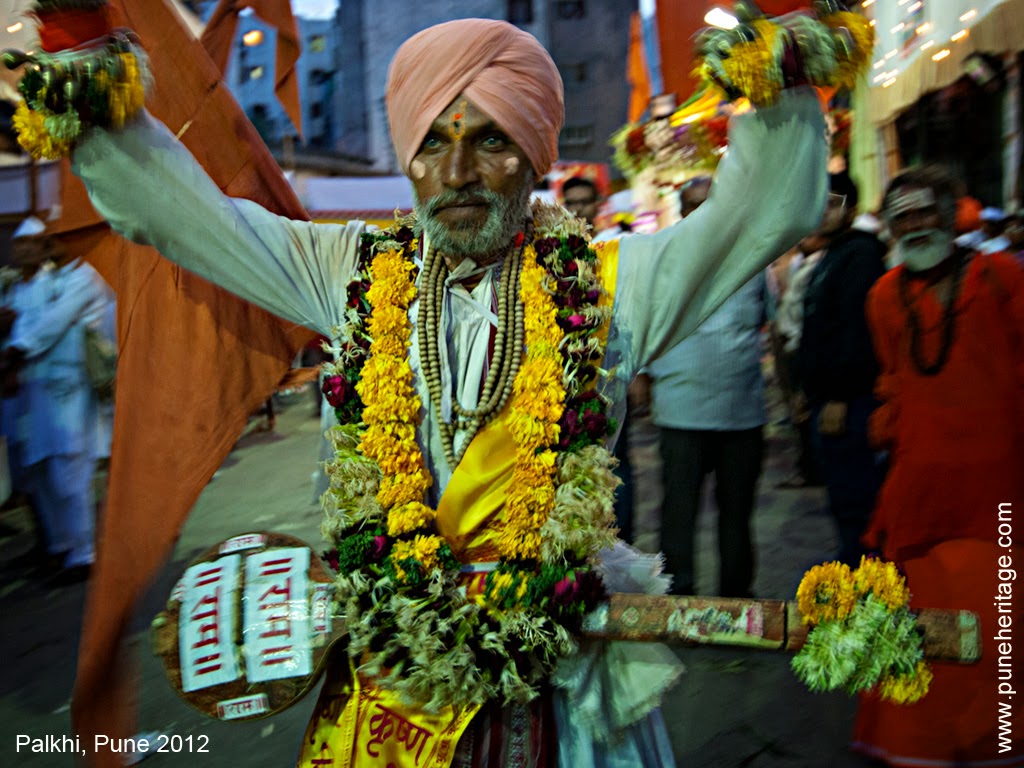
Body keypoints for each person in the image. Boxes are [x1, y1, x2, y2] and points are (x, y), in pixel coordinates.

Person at [61, 17, 826, 766]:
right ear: (409, 161)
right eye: (432, 141)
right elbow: (180, 216)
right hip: (391, 677)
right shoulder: (350, 270)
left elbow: (766, 212)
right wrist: (80, 50)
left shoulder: (610, 286)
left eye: (490, 139)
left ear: (533, 157)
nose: (457, 172)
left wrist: (781, 44)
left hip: (555, 670)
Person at [853, 164, 1024, 766]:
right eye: (901, 216)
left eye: (925, 211)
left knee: (1000, 622)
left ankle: (997, 740)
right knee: (920, 622)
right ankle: (917, 744)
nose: (913, 224)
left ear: (952, 215)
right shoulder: (881, 296)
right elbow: (894, 378)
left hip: (1000, 485)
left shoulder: (1001, 277)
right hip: (919, 486)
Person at [649, 176, 768, 597]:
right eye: (693, 207)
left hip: (742, 410)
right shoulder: (663, 260)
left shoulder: (753, 259)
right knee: (679, 510)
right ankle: (676, 593)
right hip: (681, 408)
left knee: (737, 512)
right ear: (682, 214)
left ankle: (737, 594)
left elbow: (765, 321)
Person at [0, 217, 115, 584]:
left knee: (71, 475)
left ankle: (84, 554)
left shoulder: (82, 279)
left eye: (56, 238)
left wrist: (16, 351)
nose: (49, 244)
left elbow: (51, 325)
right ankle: (63, 547)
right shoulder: (46, 281)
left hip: (70, 391)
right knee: (44, 475)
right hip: (37, 393)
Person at [797, 173, 887, 567]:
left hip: (849, 403)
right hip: (828, 397)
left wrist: (839, 396)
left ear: (850, 209)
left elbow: (855, 331)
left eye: (830, 203)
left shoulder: (861, 254)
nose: (821, 213)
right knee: (842, 495)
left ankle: (867, 584)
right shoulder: (833, 253)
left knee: (856, 500)